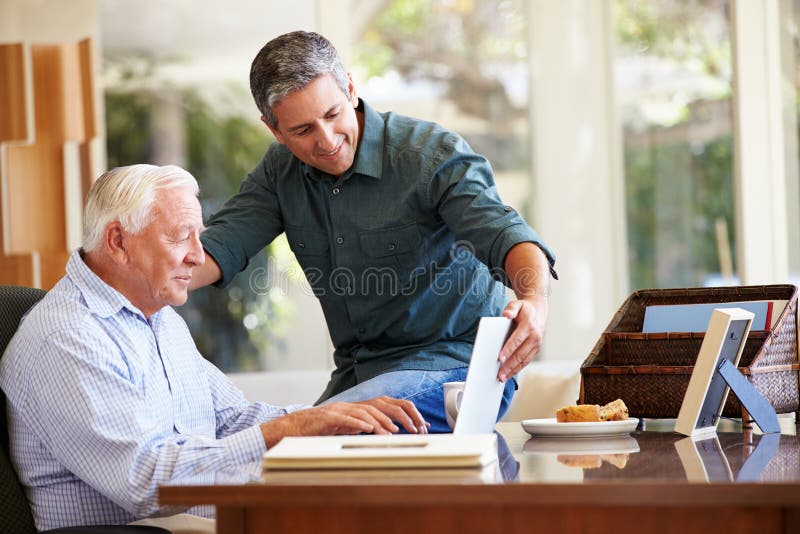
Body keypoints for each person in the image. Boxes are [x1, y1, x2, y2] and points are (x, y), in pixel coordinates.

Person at [0, 164, 427, 533]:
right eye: (181, 237)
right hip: (145, 528)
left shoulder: (157, 317)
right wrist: (290, 430)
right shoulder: (66, 337)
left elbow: (229, 420)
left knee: (380, 500)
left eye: (198, 237)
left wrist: (329, 423)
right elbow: (146, 481)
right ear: (118, 242)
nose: (197, 256)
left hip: (197, 519)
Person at [191, 31, 557, 432]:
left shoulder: (429, 154)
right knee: (275, 458)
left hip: (458, 370)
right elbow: (217, 249)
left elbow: (506, 233)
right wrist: (134, 281)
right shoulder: (280, 172)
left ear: (350, 88)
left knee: (300, 437)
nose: (326, 141)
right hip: (360, 378)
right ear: (274, 129)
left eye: (332, 115)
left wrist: (534, 300)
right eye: (303, 131)